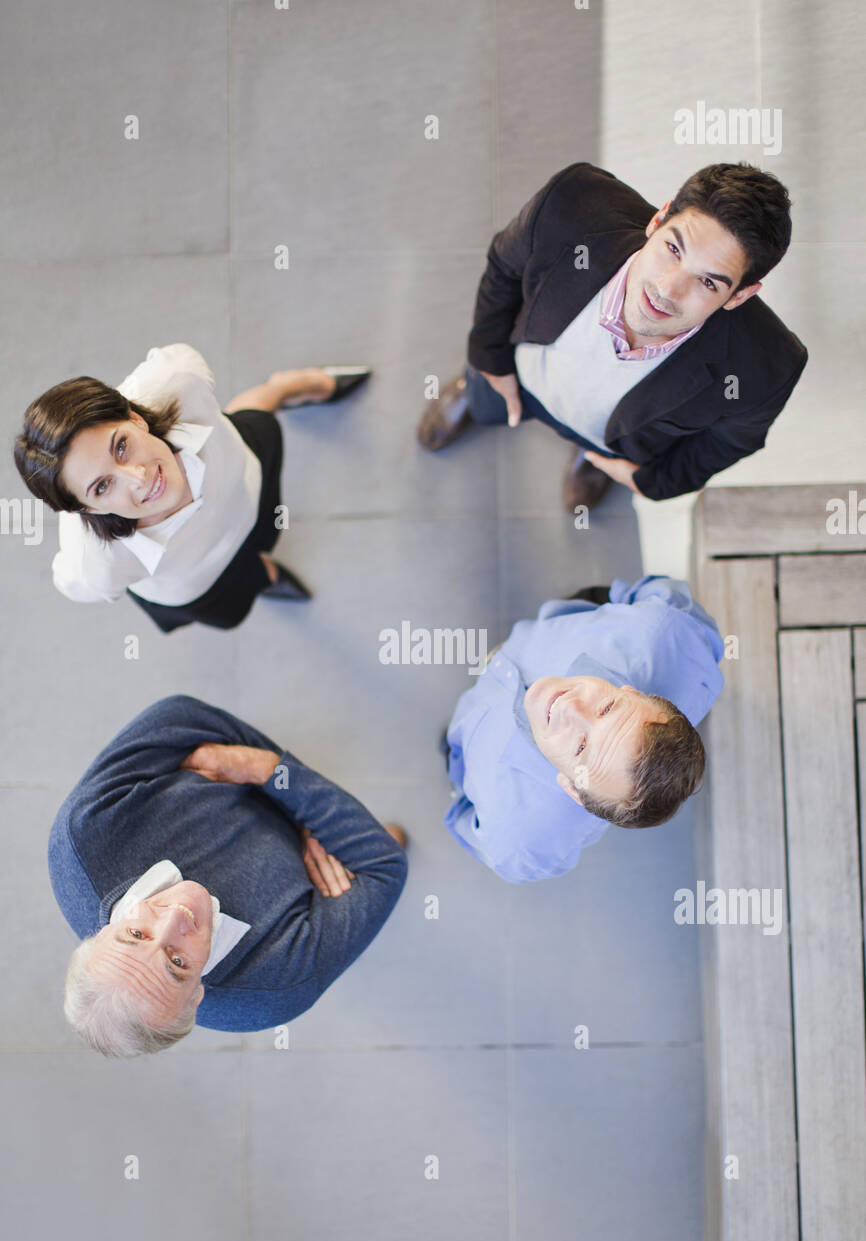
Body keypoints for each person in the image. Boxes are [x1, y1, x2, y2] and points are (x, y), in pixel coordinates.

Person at [418, 161, 807, 511]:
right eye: (673, 249)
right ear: (657, 221)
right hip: (523, 371)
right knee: (485, 394)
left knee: (601, 450)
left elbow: (727, 444)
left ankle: (590, 459)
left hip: (610, 438)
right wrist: (488, 359)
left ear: (739, 295)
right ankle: (474, 390)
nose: (668, 290)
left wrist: (647, 480)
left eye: (707, 281)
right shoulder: (570, 205)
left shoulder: (767, 370)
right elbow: (504, 266)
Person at [49, 694, 408, 1056]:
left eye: (136, 933)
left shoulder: (83, 832)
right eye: (177, 963)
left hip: (301, 830)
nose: (176, 916)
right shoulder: (276, 988)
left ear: (101, 933)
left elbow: (181, 714)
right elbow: (385, 867)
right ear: (196, 997)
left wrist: (301, 806)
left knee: (361, 848)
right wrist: (267, 771)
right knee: (375, 853)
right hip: (271, 802)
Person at [14, 342, 370, 631]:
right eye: (102, 486)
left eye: (121, 445)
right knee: (244, 587)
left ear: (135, 418)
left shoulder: (176, 384)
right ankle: (263, 578)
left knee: (255, 414)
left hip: (248, 485)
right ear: (88, 509)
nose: (140, 478)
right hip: (204, 582)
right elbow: (72, 580)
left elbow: (178, 361)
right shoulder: (96, 563)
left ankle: (285, 386)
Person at [443, 576, 723, 883]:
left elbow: (468, 825)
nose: (568, 707)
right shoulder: (665, 629)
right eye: (607, 708)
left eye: (581, 747)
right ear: (632, 692)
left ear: (573, 789)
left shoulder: (518, 841)